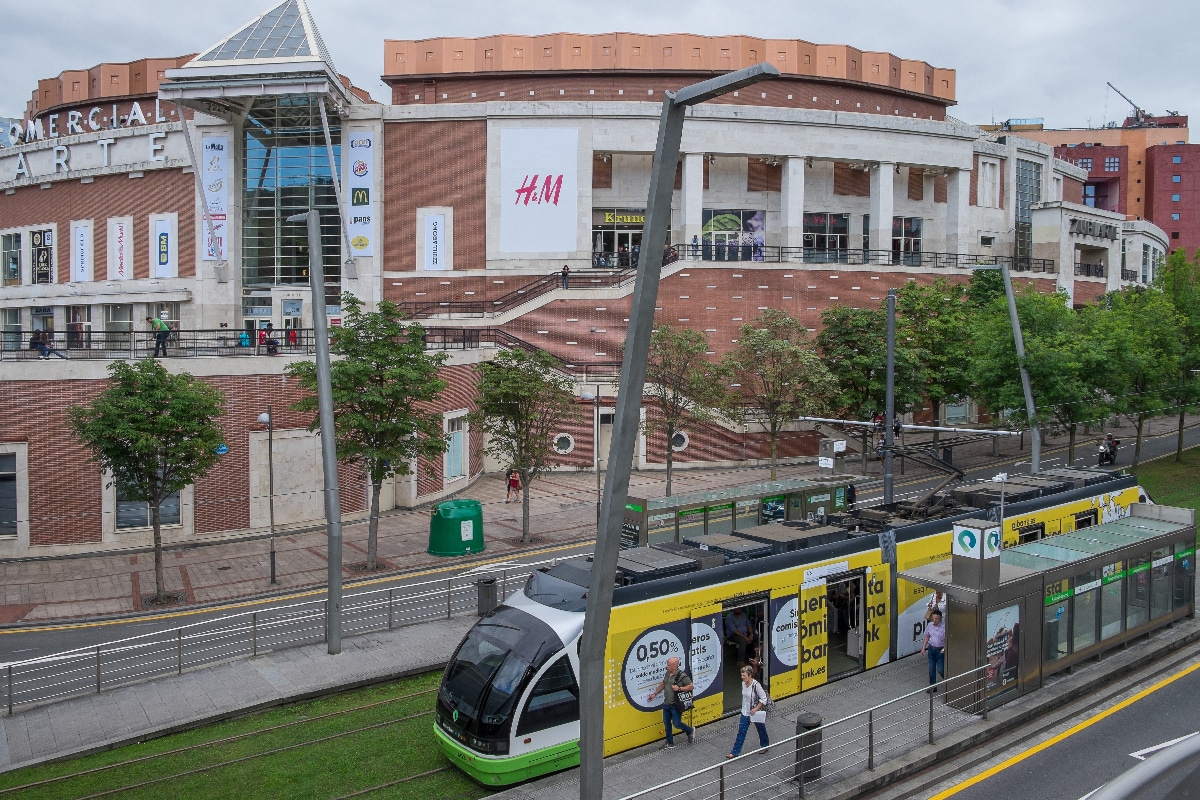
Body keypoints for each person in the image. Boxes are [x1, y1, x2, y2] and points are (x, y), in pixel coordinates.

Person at [646, 656, 694, 749]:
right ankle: (670, 742)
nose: (666, 667)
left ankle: (689, 730)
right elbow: (663, 683)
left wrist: (679, 688)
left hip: (675, 704)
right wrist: (655, 694)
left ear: (674, 666)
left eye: (668, 665)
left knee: (676, 723)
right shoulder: (667, 673)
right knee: (666, 722)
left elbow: (691, 686)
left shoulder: (682, 676)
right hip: (666, 703)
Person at [726, 665, 769, 758]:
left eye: (744, 675)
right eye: (741, 675)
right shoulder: (743, 684)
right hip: (745, 712)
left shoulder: (756, 685)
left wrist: (756, 709)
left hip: (755, 712)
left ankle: (765, 745)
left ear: (750, 675)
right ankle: (734, 752)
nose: (742, 677)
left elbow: (764, 698)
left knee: (761, 729)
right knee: (741, 731)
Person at [921, 608, 946, 691]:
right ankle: (933, 686)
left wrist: (944, 649)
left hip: (940, 650)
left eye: (937, 619)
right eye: (933, 618)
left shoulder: (944, 627)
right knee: (931, 668)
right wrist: (923, 648)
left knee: (940, 669)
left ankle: (948, 680)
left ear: (940, 619)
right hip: (931, 649)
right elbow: (927, 636)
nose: (934, 621)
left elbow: (948, 639)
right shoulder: (930, 625)